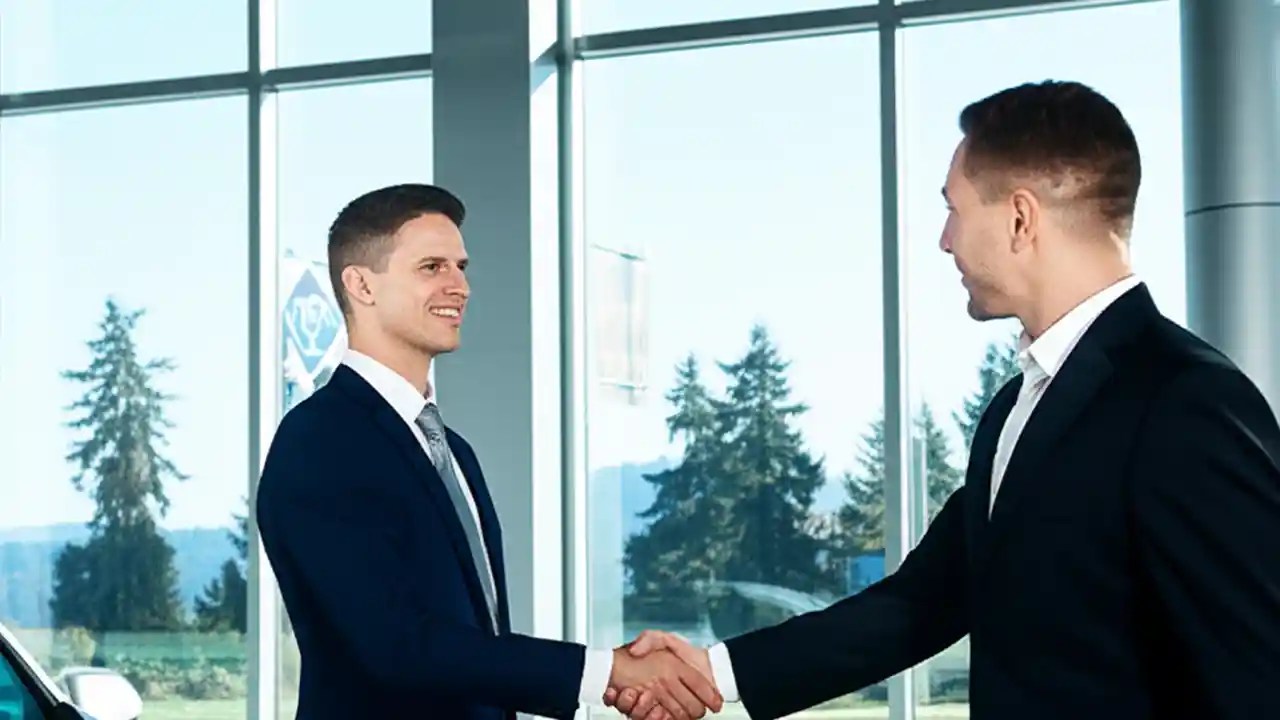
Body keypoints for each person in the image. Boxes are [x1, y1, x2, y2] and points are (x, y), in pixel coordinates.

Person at [609, 81, 1280, 720]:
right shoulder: (1018, 406)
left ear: (1020, 217)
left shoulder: (1186, 402)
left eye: (954, 209)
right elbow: (922, 601)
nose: (945, 239)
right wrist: (713, 671)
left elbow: (1255, 679)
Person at [256, 184, 722, 720]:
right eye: (432, 267)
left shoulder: (454, 451)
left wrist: (605, 681)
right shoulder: (319, 441)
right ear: (360, 284)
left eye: (460, 265)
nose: (461, 285)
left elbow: (475, 643)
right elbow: (397, 647)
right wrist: (609, 673)